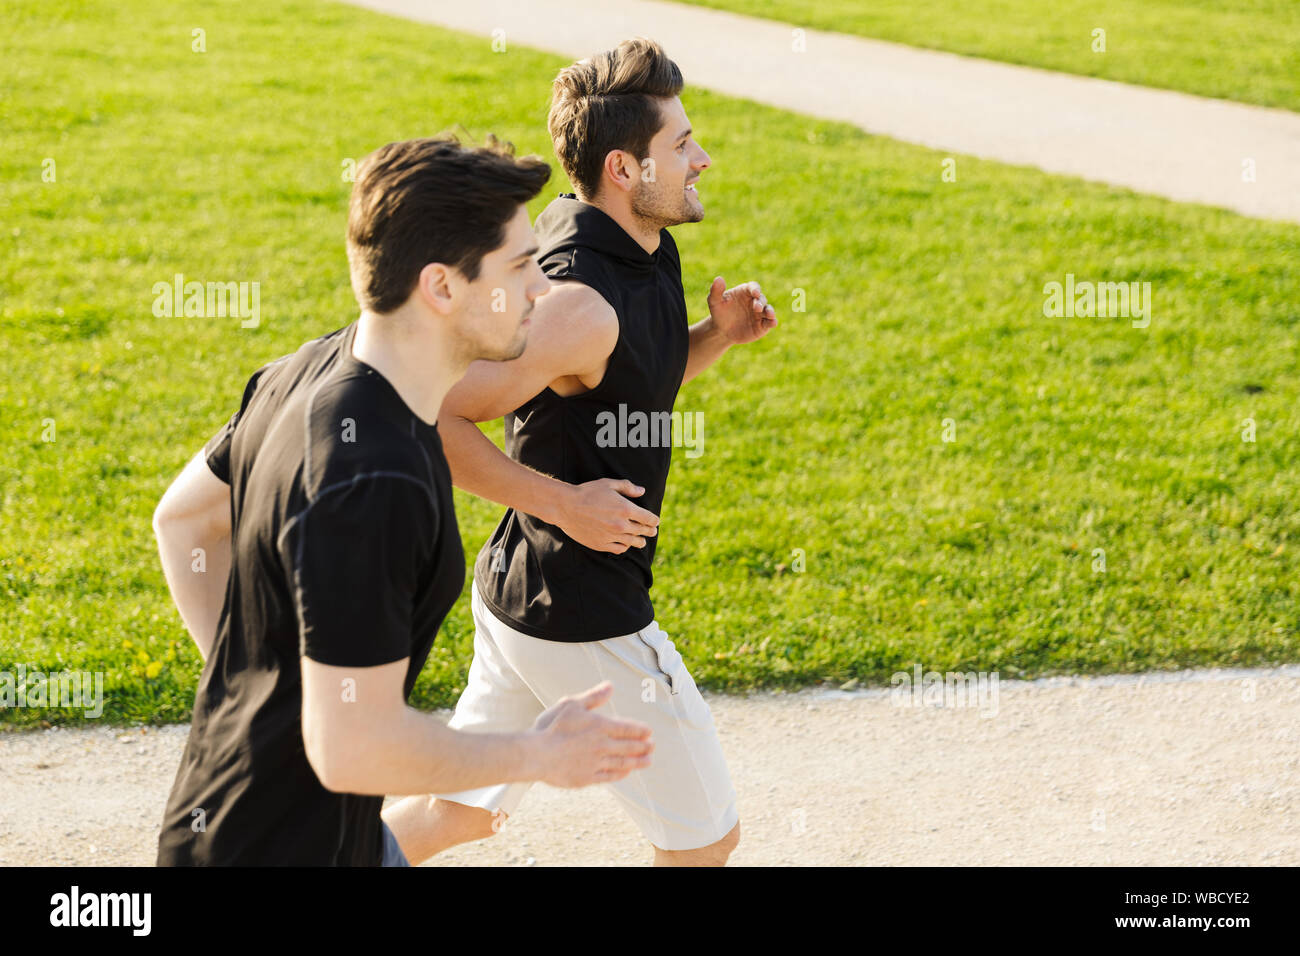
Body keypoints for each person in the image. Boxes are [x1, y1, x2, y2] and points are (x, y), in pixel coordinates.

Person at [151, 135, 654, 866]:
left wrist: (253, 689)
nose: (542, 289)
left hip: (286, 831)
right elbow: (353, 750)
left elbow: (184, 520)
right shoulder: (375, 478)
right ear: (442, 288)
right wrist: (536, 754)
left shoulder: (311, 365)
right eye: (520, 267)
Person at [383, 39, 778, 867]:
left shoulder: (637, 240)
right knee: (707, 841)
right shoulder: (576, 301)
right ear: (624, 168)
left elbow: (618, 382)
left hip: (523, 597)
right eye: (680, 146)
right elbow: (435, 417)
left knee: (461, 814)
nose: (701, 158)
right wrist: (564, 503)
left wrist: (713, 336)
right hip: (583, 616)